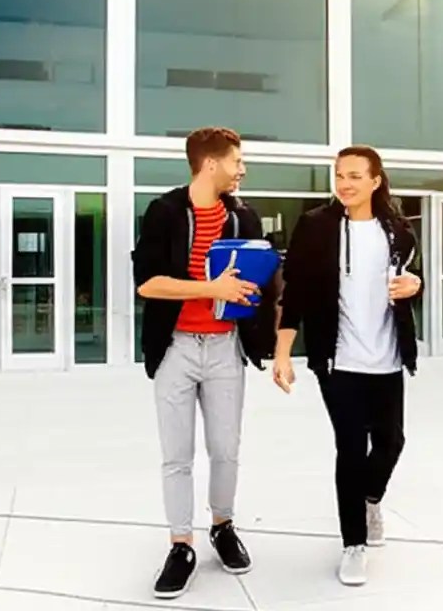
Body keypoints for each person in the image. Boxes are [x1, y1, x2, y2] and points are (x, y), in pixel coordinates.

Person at [132, 127, 278, 599]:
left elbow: (260, 285)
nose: (242, 170)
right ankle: (181, 545)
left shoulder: (243, 216)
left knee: (225, 449)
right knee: (176, 455)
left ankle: (223, 526)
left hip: (225, 348)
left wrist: (253, 296)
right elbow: (148, 283)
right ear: (210, 163)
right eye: (237, 161)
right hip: (175, 348)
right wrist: (211, 288)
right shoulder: (165, 212)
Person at [271, 145, 422, 587]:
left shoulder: (398, 230)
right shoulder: (316, 226)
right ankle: (353, 543)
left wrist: (416, 284)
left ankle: (369, 498)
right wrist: (283, 352)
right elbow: (295, 292)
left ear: (376, 181)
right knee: (351, 449)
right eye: (340, 175)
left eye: (355, 176)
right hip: (338, 360)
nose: (345, 184)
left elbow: (413, 280)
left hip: (388, 357)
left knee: (391, 442)